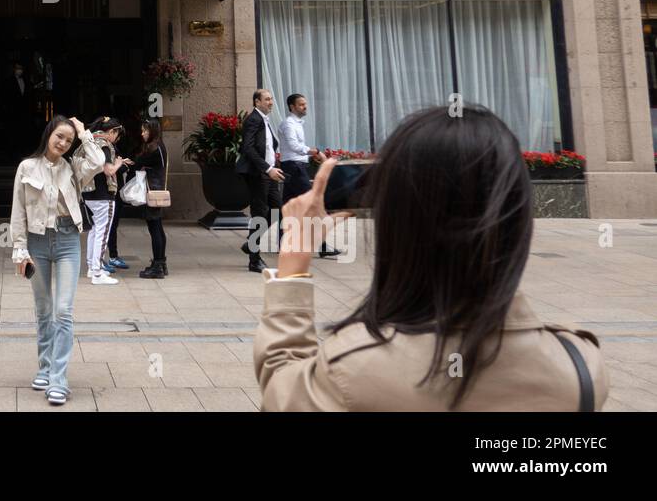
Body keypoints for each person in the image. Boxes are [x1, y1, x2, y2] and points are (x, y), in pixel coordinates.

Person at [255, 106, 609, 411]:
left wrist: (293, 265)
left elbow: (281, 391)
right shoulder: (581, 368)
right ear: (518, 221)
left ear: (399, 226)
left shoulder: (351, 370)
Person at [10, 115, 106, 406]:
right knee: (43, 309)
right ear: (48, 133)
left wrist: (83, 133)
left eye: (69, 139)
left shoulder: (75, 168)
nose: (63, 143)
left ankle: (59, 379)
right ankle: (45, 367)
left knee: (63, 311)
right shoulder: (26, 167)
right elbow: (18, 212)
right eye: (59, 136)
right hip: (37, 242)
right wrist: (19, 249)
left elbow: (99, 161)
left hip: (67, 242)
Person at [277, 93, 339, 259]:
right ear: (292, 106)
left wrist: (311, 155)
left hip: (294, 167)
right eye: (301, 104)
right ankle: (323, 245)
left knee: (287, 206)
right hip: (295, 168)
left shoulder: (296, 123)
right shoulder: (289, 124)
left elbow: (296, 148)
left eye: (305, 104)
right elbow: (294, 146)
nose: (305, 107)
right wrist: (315, 151)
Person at [239, 89, 284, 273]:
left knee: (278, 211)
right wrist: (267, 169)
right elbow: (247, 149)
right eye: (267, 99)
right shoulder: (253, 120)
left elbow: (267, 147)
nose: (271, 102)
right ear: (257, 102)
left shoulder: (264, 120)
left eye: (271, 99)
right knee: (259, 214)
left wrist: (274, 167)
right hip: (259, 175)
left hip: (270, 175)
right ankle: (254, 260)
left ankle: (251, 244)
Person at [127, 118, 169, 280]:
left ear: (153, 131)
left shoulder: (154, 148)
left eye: (145, 130)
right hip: (156, 190)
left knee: (155, 228)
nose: (142, 133)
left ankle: (158, 266)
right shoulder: (159, 146)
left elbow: (137, 164)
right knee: (157, 227)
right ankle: (160, 263)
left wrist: (130, 162)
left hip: (153, 191)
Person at [83, 117, 124, 285]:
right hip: (103, 194)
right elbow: (109, 170)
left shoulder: (90, 142)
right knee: (102, 232)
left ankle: (91, 268)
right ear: (111, 131)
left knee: (94, 231)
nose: (116, 138)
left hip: (88, 193)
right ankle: (98, 273)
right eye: (117, 134)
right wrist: (119, 163)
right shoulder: (105, 145)